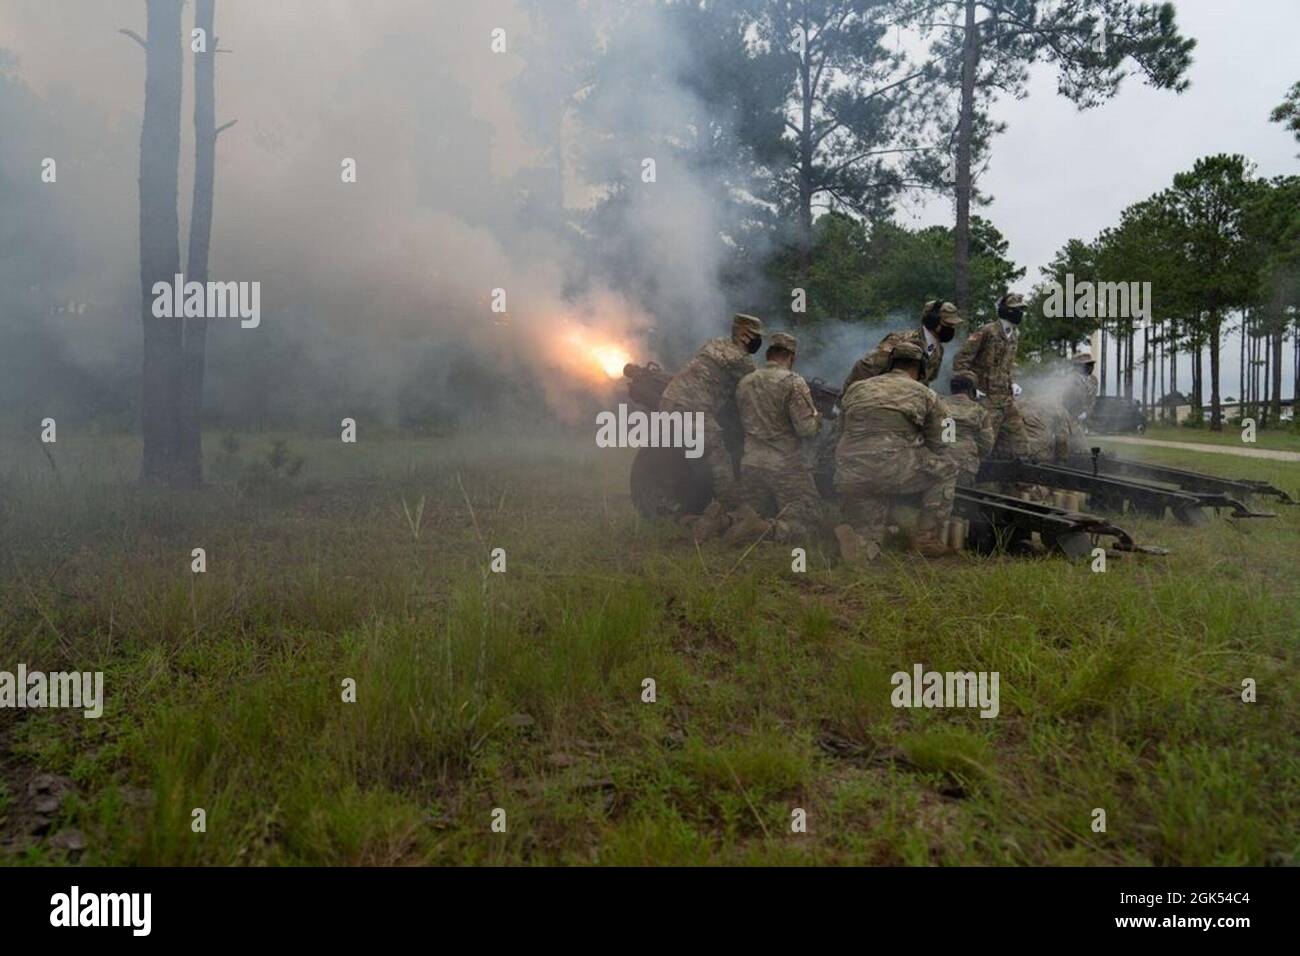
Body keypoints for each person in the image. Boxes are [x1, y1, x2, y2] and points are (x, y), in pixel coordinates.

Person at [833, 340, 958, 561]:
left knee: (869, 537)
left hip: (850, 471)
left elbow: (840, 430)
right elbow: (942, 442)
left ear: (891, 363)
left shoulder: (857, 388)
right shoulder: (926, 394)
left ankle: (861, 542)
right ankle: (927, 539)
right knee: (948, 467)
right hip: (890, 469)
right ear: (920, 368)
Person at [660, 314, 763, 530]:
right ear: (742, 335)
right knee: (719, 462)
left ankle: (691, 507)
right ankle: (732, 515)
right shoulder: (742, 360)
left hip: (671, 400)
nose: (757, 341)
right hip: (693, 410)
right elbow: (758, 386)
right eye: (754, 336)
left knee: (700, 456)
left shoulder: (714, 343)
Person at [725, 332, 823, 544]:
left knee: (746, 512)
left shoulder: (745, 381)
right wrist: (818, 418)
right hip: (786, 467)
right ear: (791, 357)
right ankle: (763, 529)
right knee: (811, 525)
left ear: (768, 354)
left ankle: (720, 521)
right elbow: (806, 429)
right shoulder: (793, 382)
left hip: (751, 464)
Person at [953, 292, 1029, 458]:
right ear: (1006, 310)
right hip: (986, 399)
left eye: (1021, 310)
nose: (1020, 314)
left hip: (1006, 399)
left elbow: (1007, 364)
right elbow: (961, 360)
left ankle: (1015, 481)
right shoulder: (987, 331)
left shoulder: (1014, 335)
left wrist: (1012, 382)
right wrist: (971, 385)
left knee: (1020, 445)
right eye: (1016, 309)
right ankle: (977, 481)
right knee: (984, 446)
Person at [842, 300, 962, 392]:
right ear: (932, 321)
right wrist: (846, 400)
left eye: (953, 326)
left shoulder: (938, 350)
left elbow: (925, 381)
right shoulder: (901, 340)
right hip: (880, 398)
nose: (951, 329)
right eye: (947, 324)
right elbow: (865, 367)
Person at [944, 371, 995, 484]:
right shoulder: (980, 412)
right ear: (971, 391)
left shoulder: (937, 404)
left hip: (936, 463)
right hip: (965, 465)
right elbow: (986, 444)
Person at [1063, 352, 1097, 454]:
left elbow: (1092, 400)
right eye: (1088, 365)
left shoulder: (1093, 380)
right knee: (1078, 448)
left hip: (1082, 420)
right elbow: (1063, 401)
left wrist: (1087, 412)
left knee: (1078, 449)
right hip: (1068, 418)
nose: (1092, 367)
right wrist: (1072, 415)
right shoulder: (1069, 380)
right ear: (1078, 367)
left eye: (1092, 365)